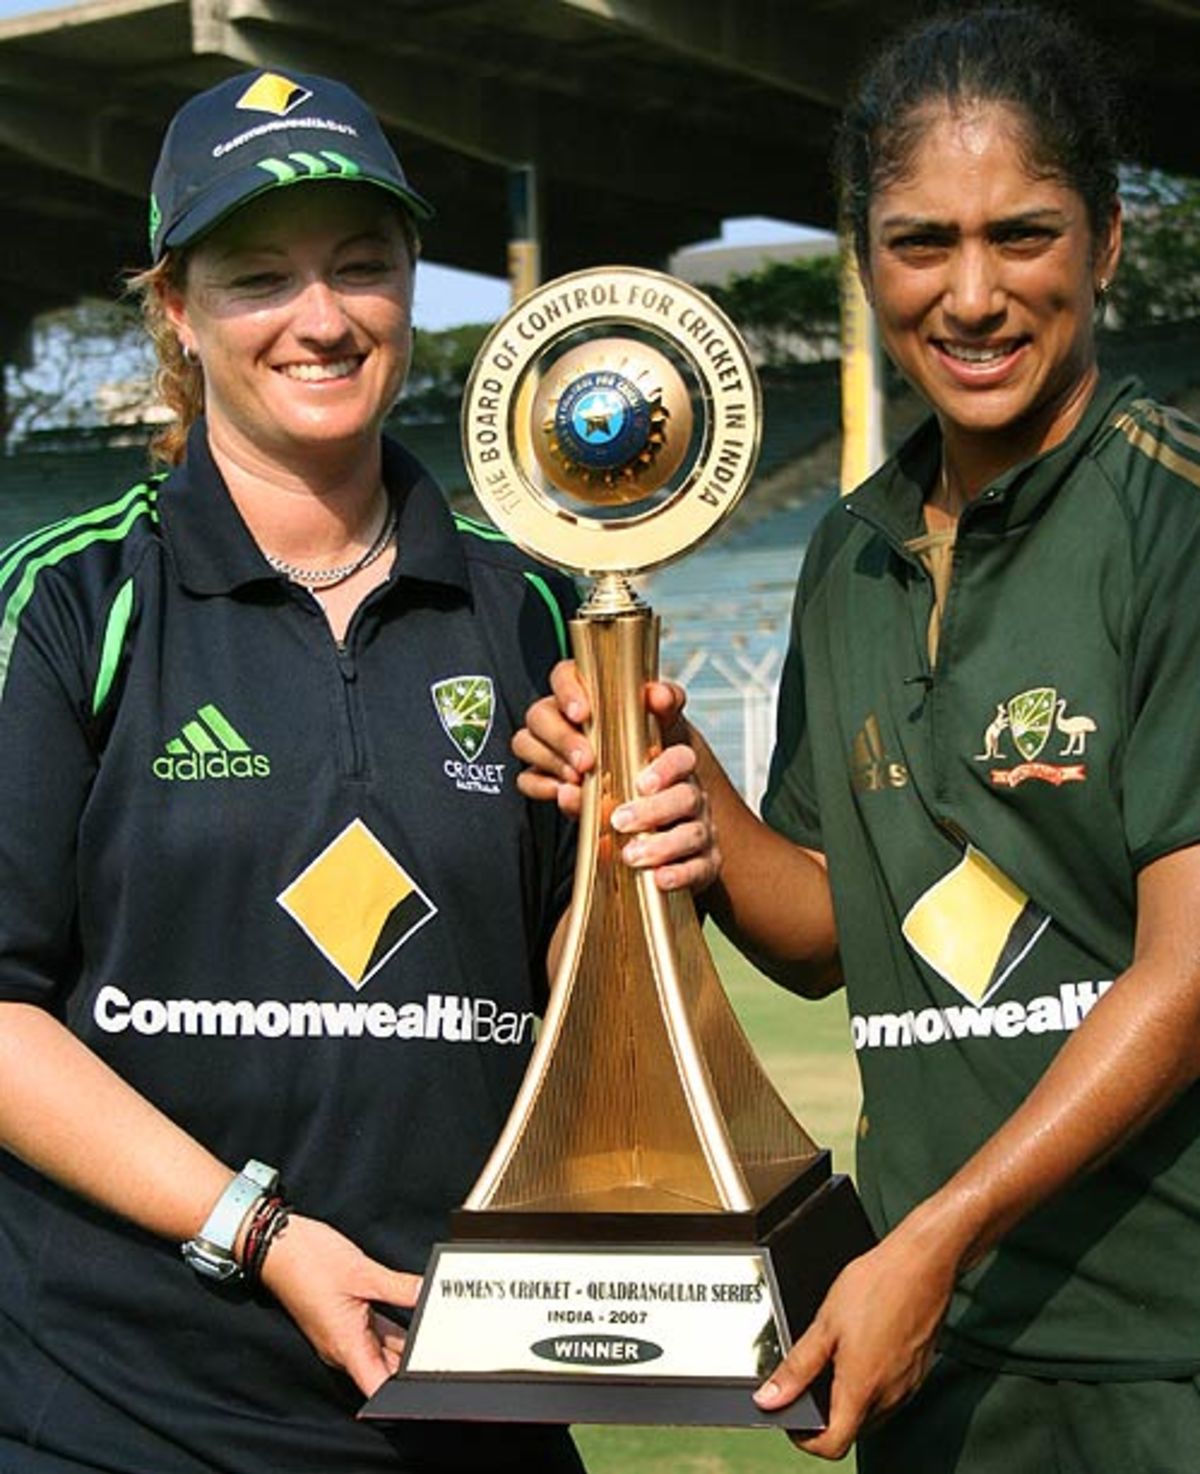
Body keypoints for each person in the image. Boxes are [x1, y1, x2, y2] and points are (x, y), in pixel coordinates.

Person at [515, 7, 1200, 1471]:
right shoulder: (850, 550)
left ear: (1108, 243)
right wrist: (667, 791)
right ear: (864, 259)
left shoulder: (1176, 517)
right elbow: (829, 924)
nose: (972, 295)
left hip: (1160, 1348)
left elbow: (1190, 971)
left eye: (1021, 235)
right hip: (931, 1348)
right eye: (917, 242)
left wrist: (936, 1236)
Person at [0, 68, 603, 1474]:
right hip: (131, 1418)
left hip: (475, 1404)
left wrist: (646, 863)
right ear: (178, 311)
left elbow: (592, 992)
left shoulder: (535, 606)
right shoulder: (72, 600)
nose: (321, 318)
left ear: (408, 286)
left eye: (361, 267)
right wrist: (257, 1232)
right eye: (260, 276)